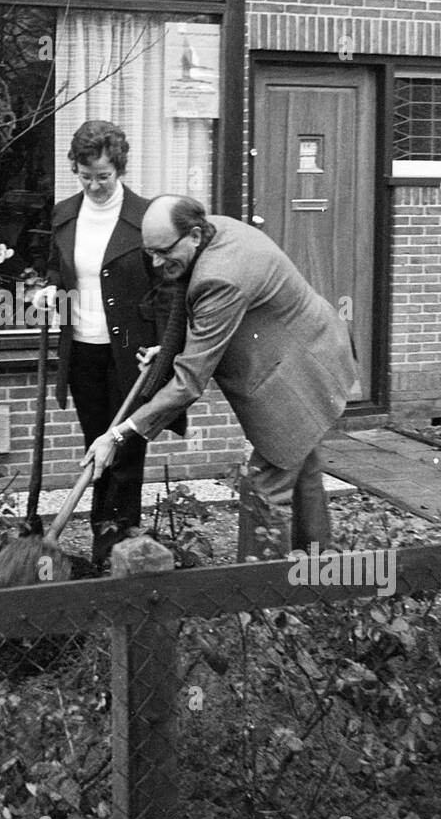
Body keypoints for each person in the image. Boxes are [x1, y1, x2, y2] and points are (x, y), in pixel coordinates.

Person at [84, 195, 358, 553]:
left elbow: (189, 383)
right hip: (311, 349)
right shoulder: (214, 232)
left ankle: (255, 599)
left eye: (163, 251)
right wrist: (167, 352)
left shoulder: (220, 277)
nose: (155, 261)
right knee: (302, 470)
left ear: (194, 235)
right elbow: (191, 306)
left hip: (301, 373)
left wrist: (118, 436)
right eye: (149, 252)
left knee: (264, 488)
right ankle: (316, 576)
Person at [35, 121, 180, 568]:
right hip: (82, 349)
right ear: (74, 169)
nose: (94, 185)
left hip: (131, 353)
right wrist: (49, 288)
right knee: (95, 442)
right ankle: (105, 537)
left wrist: (161, 346)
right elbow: (63, 271)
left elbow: (170, 286)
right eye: (85, 175)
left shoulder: (146, 217)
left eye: (103, 176)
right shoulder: (64, 214)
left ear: (119, 168)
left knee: (125, 448)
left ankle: (116, 543)